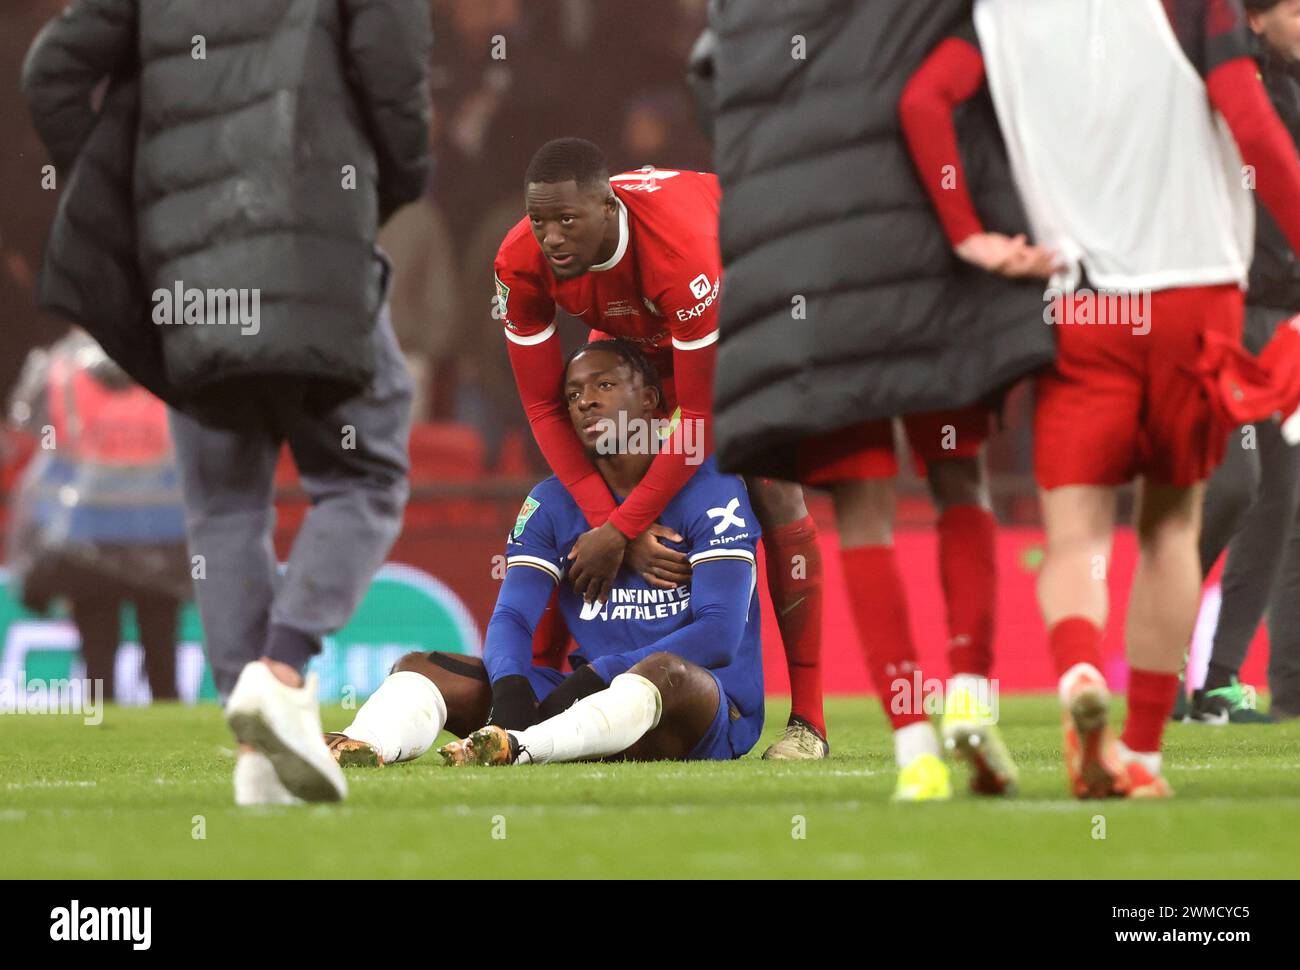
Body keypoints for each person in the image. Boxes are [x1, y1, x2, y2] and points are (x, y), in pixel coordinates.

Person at [21, 0, 433, 804]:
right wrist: (378, 188)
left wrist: (129, 198)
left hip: (189, 275)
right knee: (366, 476)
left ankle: (257, 753)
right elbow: (396, 86)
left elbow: (52, 74)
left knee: (224, 506)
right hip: (317, 254)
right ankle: (279, 671)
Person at [910, 0, 1300, 797]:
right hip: (1199, 299)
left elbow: (923, 102)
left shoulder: (1000, 14)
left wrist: (966, 233)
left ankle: (1082, 671)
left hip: (1082, 301)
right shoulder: (1198, 7)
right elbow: (1252, 123)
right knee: (1171, 528)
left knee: (1076, 531)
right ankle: (1145, 757)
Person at [696, 0, 1055, 799]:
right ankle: (969, 686)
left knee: (862, 514)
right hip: (930, 264)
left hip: (812, 285)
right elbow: (972, 73)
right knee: (960, 477)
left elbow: (709, 82)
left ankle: (912, 746)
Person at [492, 138, 827, 759]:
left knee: (773, 484)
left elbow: (698, 419)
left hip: (744, 310)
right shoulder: (519, 261)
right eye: (541, 222)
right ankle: (537, 695)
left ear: (609, 208)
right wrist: (612, 519)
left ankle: (808, 722)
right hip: (642, 323)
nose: (553, 239)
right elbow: (543, 408)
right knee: (610, 446)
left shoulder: (681, 254)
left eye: (569, 221)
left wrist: (621, 529)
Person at [325, 340, 763, 768]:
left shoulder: (713, 491)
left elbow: (718, 634)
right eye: (573, 394)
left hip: (700, 707)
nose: (585, 402)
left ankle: (524, 748)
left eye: (604, 386)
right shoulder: (550, 502)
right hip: (584, 702)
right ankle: (364, 745)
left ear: (650, 399)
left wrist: (599, 673)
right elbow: (513, 617)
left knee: (665, 670)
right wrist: (512, 690)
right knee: (420, 667)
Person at [1183, 0, 1300, 725]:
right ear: (1256, 19)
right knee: (1234, 487)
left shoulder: (1288, 86)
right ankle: (1157, 660)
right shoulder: (1221, 87)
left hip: (1286, 315)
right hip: (1227, 310)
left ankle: (1227, 681)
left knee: (1283, 500)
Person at [7, 329, 188, 702]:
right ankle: (167, 713)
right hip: (161, 520)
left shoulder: (59, 368)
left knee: (97, 645)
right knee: (161, 639)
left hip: (88, 525)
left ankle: (101, 719)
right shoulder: (170, 363)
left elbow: (31, 435)